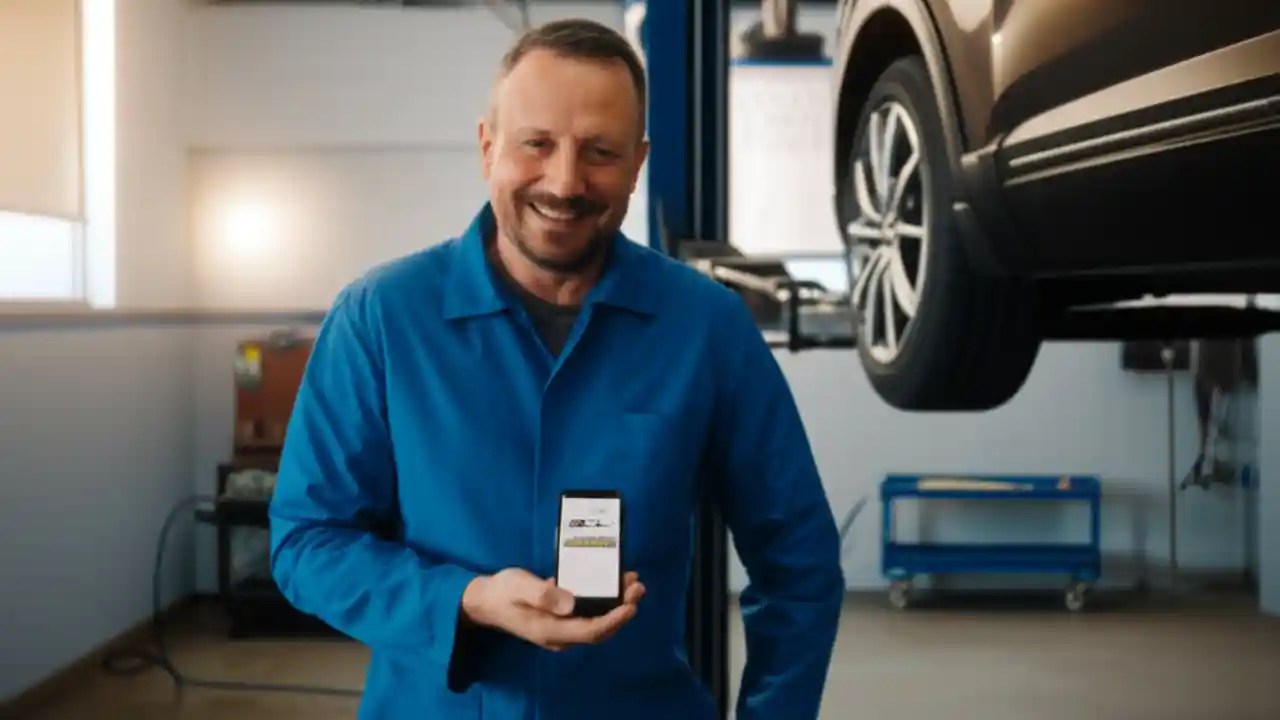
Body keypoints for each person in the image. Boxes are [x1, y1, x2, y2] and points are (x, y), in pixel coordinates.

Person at [268, 17, 844, 720]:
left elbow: (799, 561)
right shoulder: (381, 319)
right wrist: (466, 600)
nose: (565, 182)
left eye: (599, 151)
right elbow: (307, 542)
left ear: (638, 162)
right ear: (488, 148)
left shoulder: (707, 327)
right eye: (536, 144)